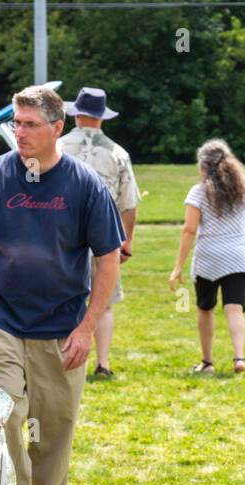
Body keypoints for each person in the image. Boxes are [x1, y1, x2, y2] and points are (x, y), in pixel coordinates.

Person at [0, 85, 123, 485]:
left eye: (29, 124)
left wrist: (87, 329)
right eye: (16, 122)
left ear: (57, 128)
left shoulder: (84, 185)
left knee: (53, 434)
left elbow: (108, 260)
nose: (19, 132)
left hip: (62, 331)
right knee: (3, 422)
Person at [59, 87, 139, 380]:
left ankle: (64, 354)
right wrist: (127, 241)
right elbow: (128, 203)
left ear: (76, 115)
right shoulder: (118, 153)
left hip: (63, 236)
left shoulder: (58, 147)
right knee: (103, 301)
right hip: (105, 237)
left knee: (65, 298)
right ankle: (102, 362)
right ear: (102, 118)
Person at [168, 139, 245, 374]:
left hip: (209, 258)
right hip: (239, 256)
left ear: (203, 167)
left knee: (205, 308)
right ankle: (239, 358)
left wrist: (178, 266)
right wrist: (244, 254)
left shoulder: (198, 192)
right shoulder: (243, 192)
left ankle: (207, 362)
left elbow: (189, 229)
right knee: (234, 307)